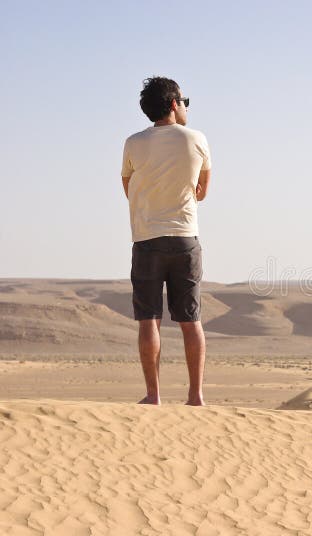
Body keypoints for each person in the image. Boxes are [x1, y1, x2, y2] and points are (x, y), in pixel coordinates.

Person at [120, 76, 212, 406]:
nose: (185, 106)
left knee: (149, 319)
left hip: (146, 238)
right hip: (185, 237)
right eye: (183, 101)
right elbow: (202, 190)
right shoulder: (197, 139)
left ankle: (153, 394)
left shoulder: (133, 142)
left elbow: (128, 187)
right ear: (174, 104)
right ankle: (196, 395)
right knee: (191, 320)